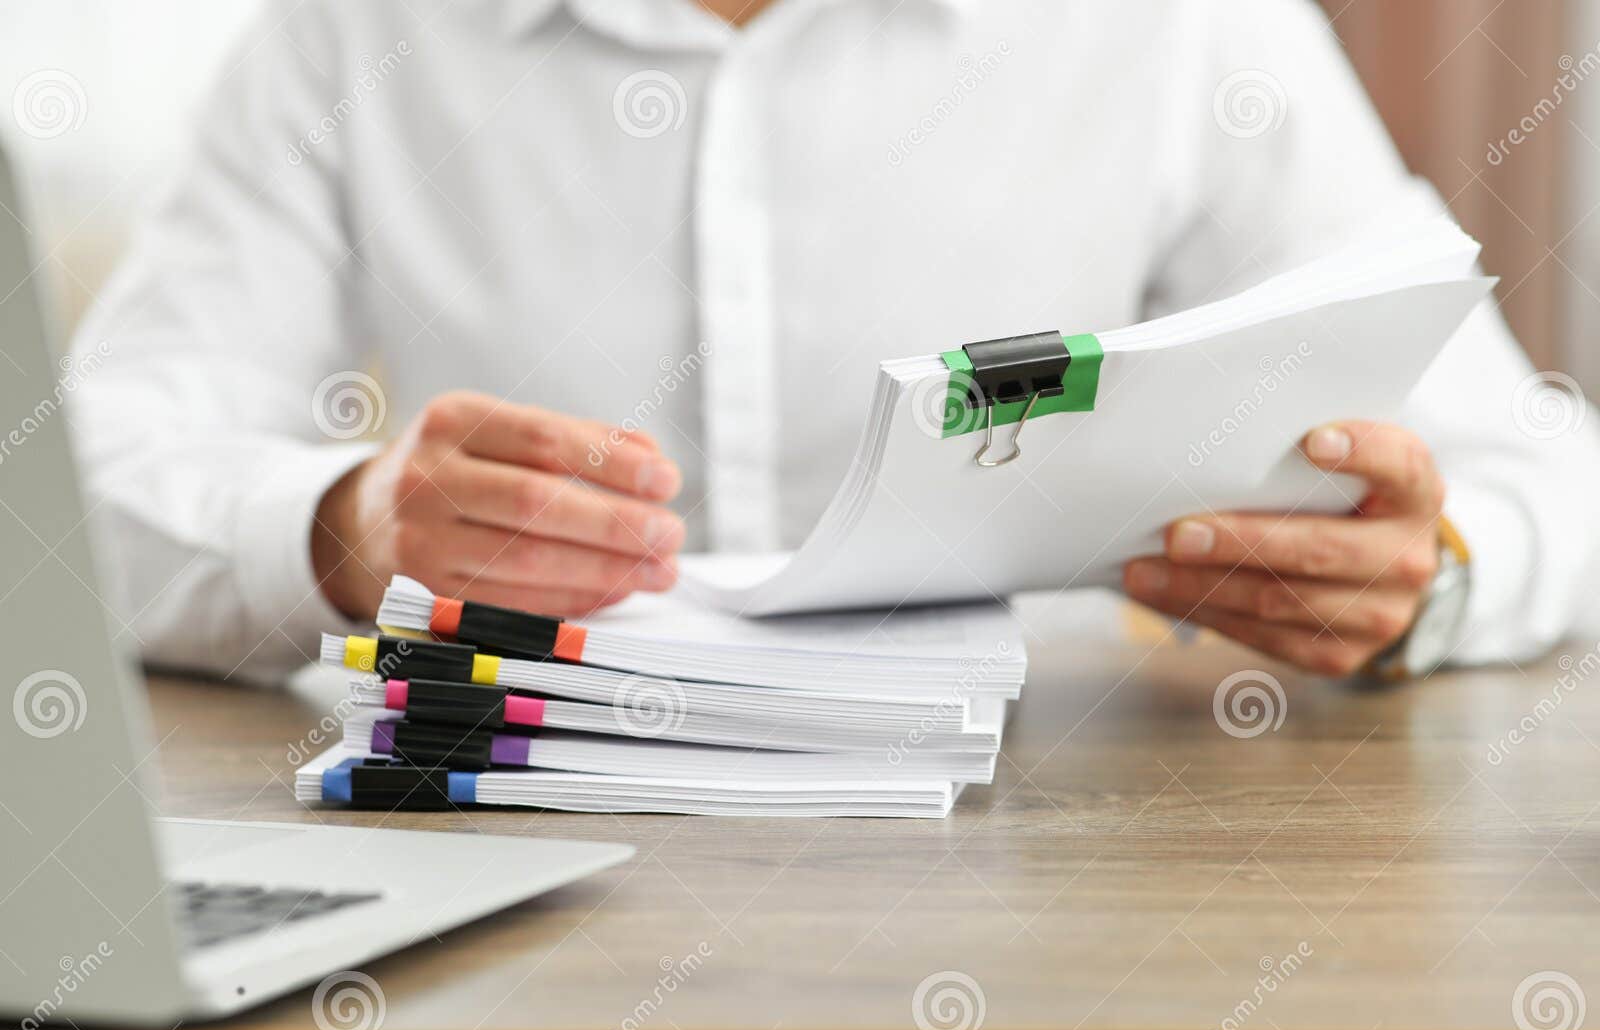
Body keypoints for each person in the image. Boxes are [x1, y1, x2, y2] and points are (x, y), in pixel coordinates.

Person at [68, 0, 1600, 682]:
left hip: (1069, 879)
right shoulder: (348, 31)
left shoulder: (1177, 19)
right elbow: (72, 498)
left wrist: (1431, 576)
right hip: (509, 865)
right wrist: (346, 528)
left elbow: (1542, 469)